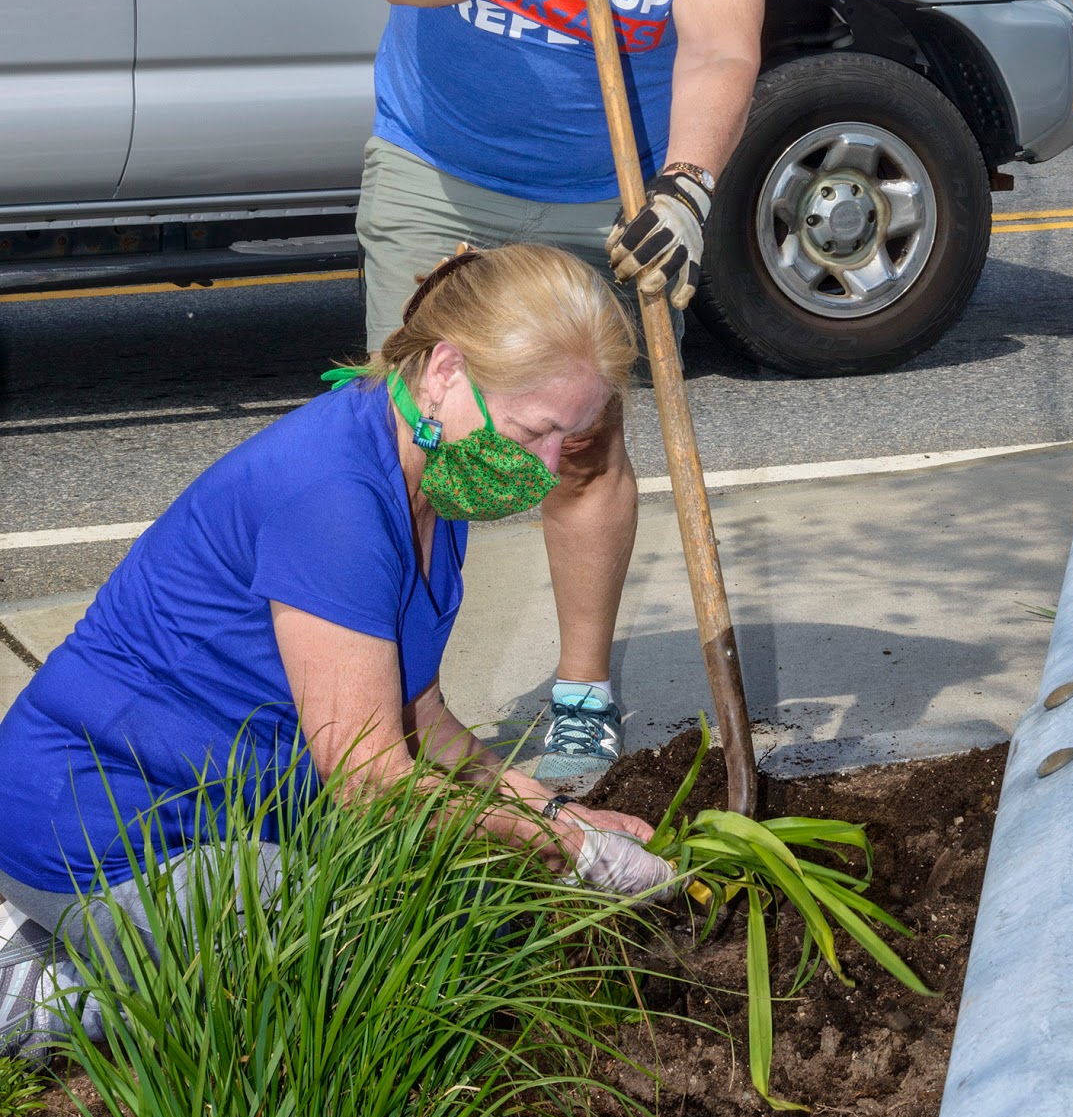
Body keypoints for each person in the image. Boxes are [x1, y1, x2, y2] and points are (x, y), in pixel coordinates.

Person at [0, 245, 674, 1061]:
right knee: (366, 974)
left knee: (473, 914)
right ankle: (47, 991)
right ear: (445, 371)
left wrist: (548, 812)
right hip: (104, 829)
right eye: (535, 431)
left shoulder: (433, 470)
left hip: (237, 814)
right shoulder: (333, 499)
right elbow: (371, 785)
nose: (546, 467)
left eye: (570, 437)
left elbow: (417, 713)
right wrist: (569, 851)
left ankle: (110, 952)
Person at [357, 0, 787, 781]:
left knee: (581, 448)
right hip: (439, 169)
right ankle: (391, 698)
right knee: (414, 446)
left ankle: (583, 694)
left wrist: (688, 185)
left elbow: (719, 48)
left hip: (609, 194)